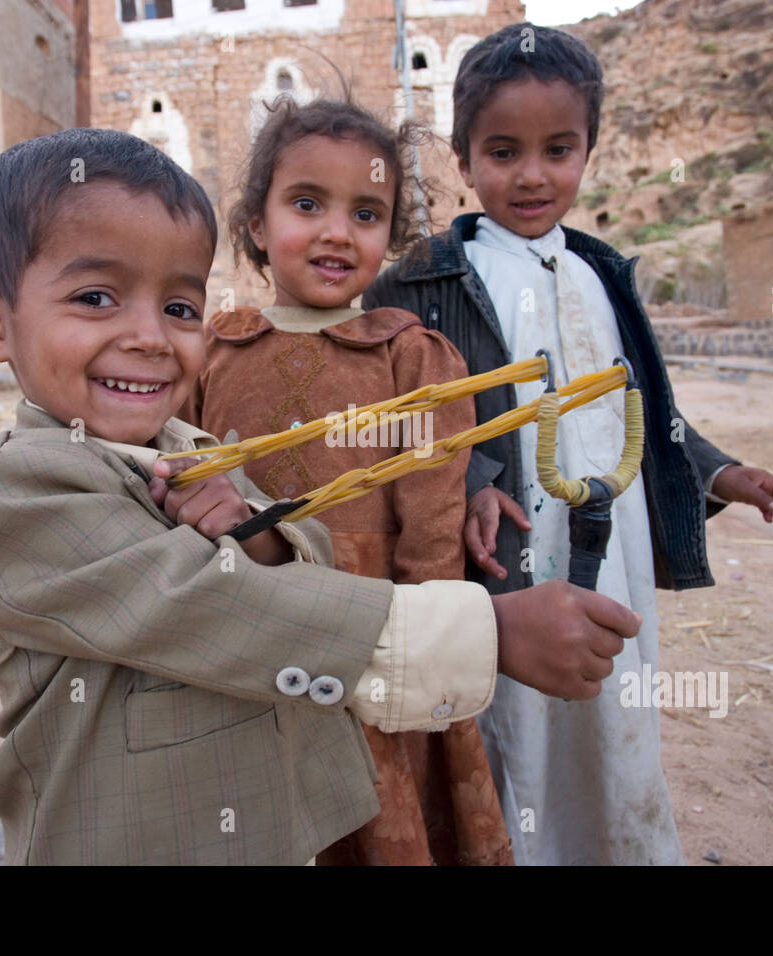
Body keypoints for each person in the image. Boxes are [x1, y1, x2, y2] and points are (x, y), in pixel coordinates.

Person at [0, 126, 640, 865]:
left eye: (180, 308)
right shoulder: (19, 493)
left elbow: (297, 543)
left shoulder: (188, 447)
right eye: (95, 297)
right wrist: (489, 632)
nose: (150, 337)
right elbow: (211, 606)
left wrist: (260, 531)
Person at [366, 23, 773, 865]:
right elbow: (401, 418)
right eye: (503, 151)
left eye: (558, 149)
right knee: (515, 731)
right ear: (465, 161)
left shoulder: (600, 272)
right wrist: (470, 478)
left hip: (613, 547)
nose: (532, 174)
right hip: (507, 556)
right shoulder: (420, 280)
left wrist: (723, 471)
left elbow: (638, 413)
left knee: (616, 718)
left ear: (590, 151)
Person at [178, 95, 512, 865]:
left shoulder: (410, 359)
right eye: (306, 203)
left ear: (389, 239)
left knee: (373, 812)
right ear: (257, 227)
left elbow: (433, 526)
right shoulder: (212, 352)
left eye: (367, 213)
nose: (336, 230)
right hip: (244, 629)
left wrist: (425, 641)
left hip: (374, 635)